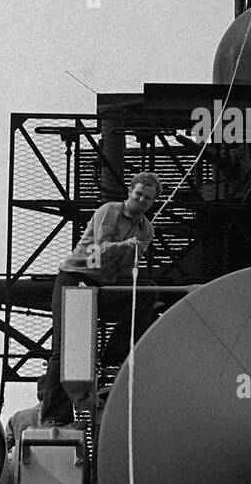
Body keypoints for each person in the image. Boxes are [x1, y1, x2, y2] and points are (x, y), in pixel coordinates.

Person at [39, 173, 162, 425]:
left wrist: (132, 258)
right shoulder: (109, 212)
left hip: (105, 284)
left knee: (148, 291)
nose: (142, 200)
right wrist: (126, 245)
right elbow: (98, 251)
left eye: (148, 199)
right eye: (139, 194)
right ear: (130, 192)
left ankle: (114, 354)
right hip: (75, 277)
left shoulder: (146, 229)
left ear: (152, 203)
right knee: (63, 348)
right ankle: (54, 415)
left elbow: (128, 267)